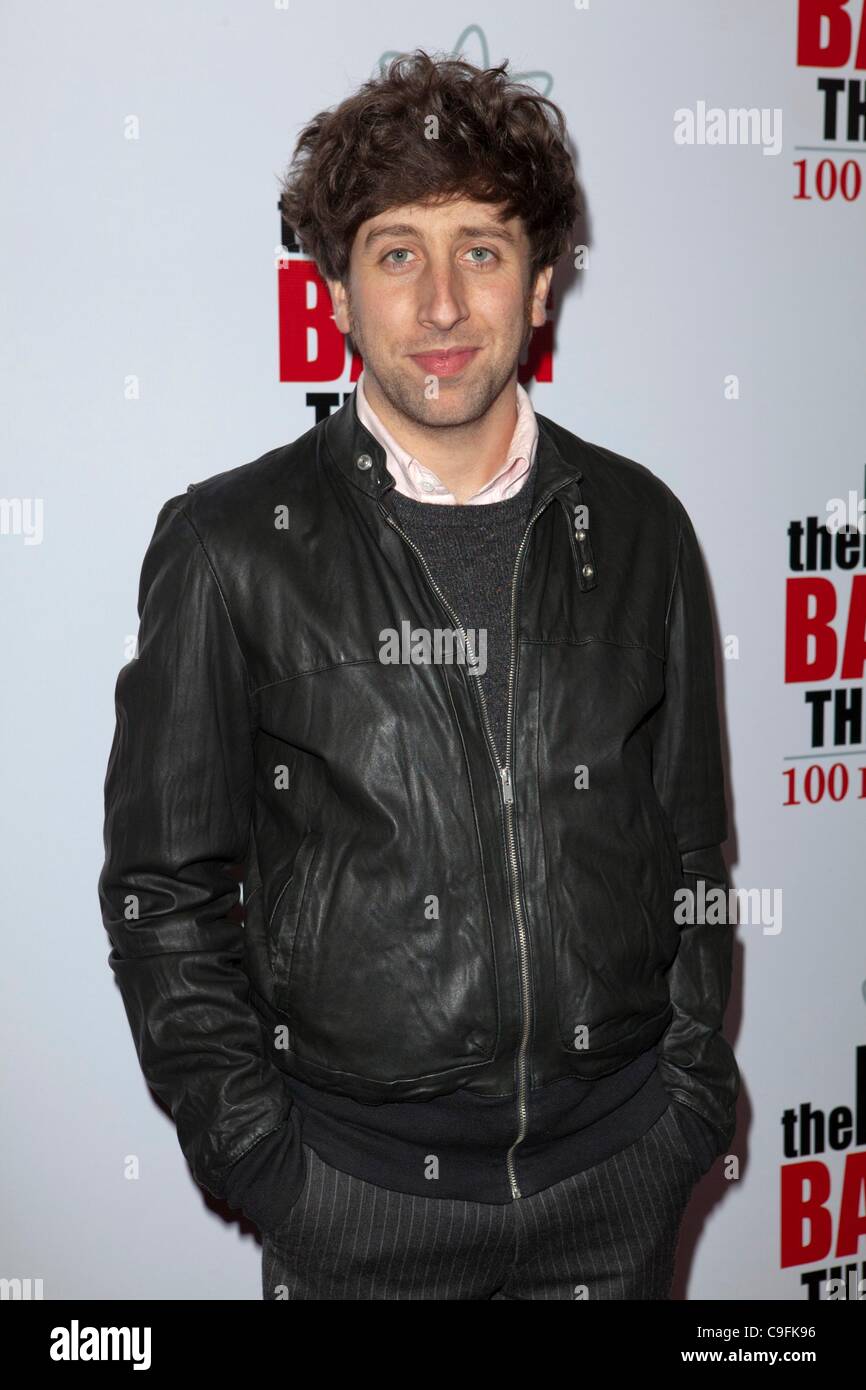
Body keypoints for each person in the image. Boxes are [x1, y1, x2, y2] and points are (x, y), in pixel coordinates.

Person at [98, 49, 739, 1301]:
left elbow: (693, 852)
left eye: (481, 249)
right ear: (336, 291)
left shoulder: (641, 525)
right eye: (396, 252)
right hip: (354, 1206)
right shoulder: (231, 546)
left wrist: (684, 1106)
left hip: (612, 1188)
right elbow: (162, 894)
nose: (441, 304)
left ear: (542, 285)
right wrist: (267, 1166)